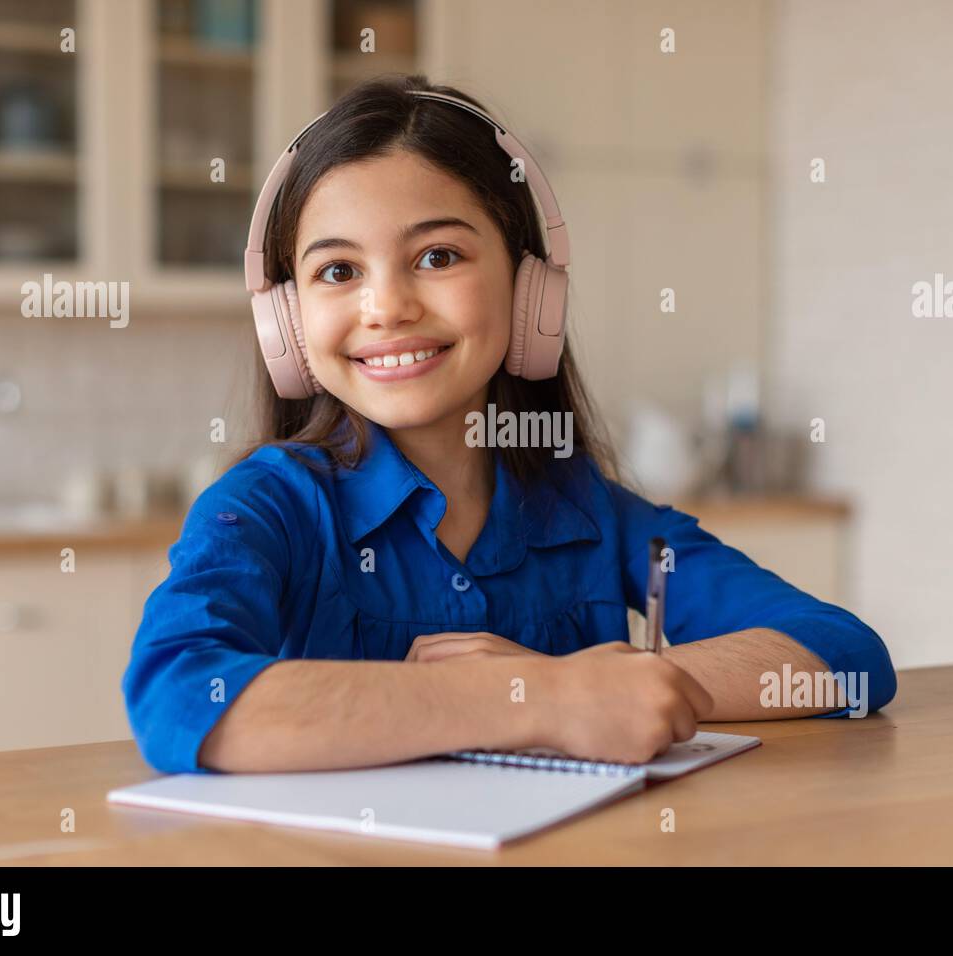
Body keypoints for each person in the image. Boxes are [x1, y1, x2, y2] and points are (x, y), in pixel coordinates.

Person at [122, 74, 897, 775]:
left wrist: (613, 689)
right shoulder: (268, 507)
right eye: (338, 270)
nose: (386, 307)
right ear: (287, 321)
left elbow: (846, 655)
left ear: (531, 292)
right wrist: (539, 701)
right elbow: (177, 696)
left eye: (437, 257)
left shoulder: (587, 512)